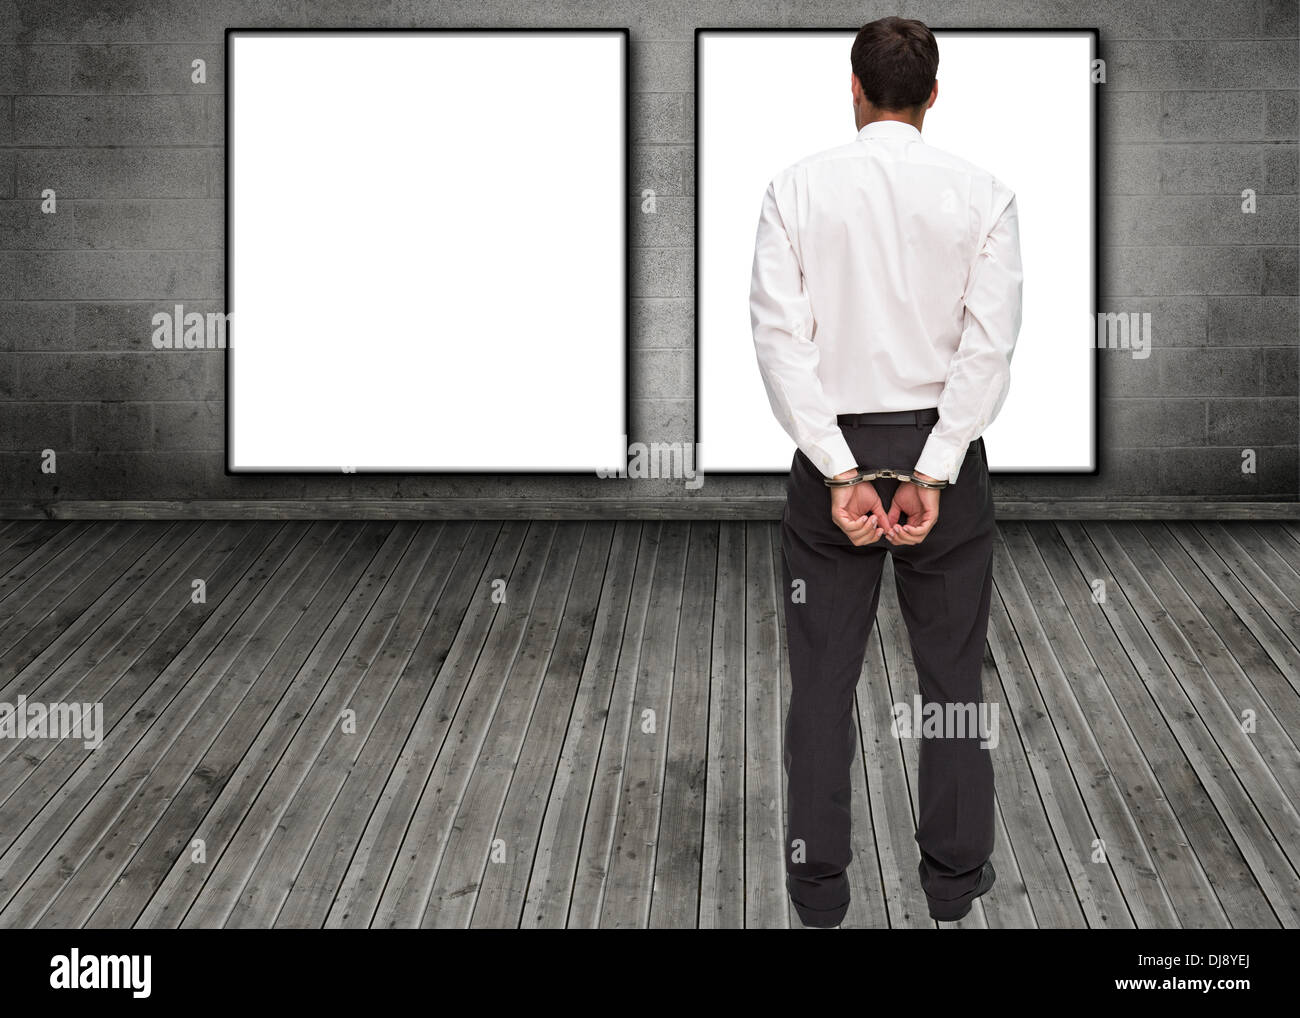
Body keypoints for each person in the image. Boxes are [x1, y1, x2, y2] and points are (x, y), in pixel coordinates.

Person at [749, 15, 1024, 928]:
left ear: (855, 88)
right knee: (951, 680)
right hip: (944, 462)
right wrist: (936, 469)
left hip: (835, 466)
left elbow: (781, 345)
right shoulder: (985, 194)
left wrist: (836, 470)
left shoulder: (795, 189)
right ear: (933, 94)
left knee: (823, 683)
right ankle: (953, 886)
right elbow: (988, 350)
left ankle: (818, 893)